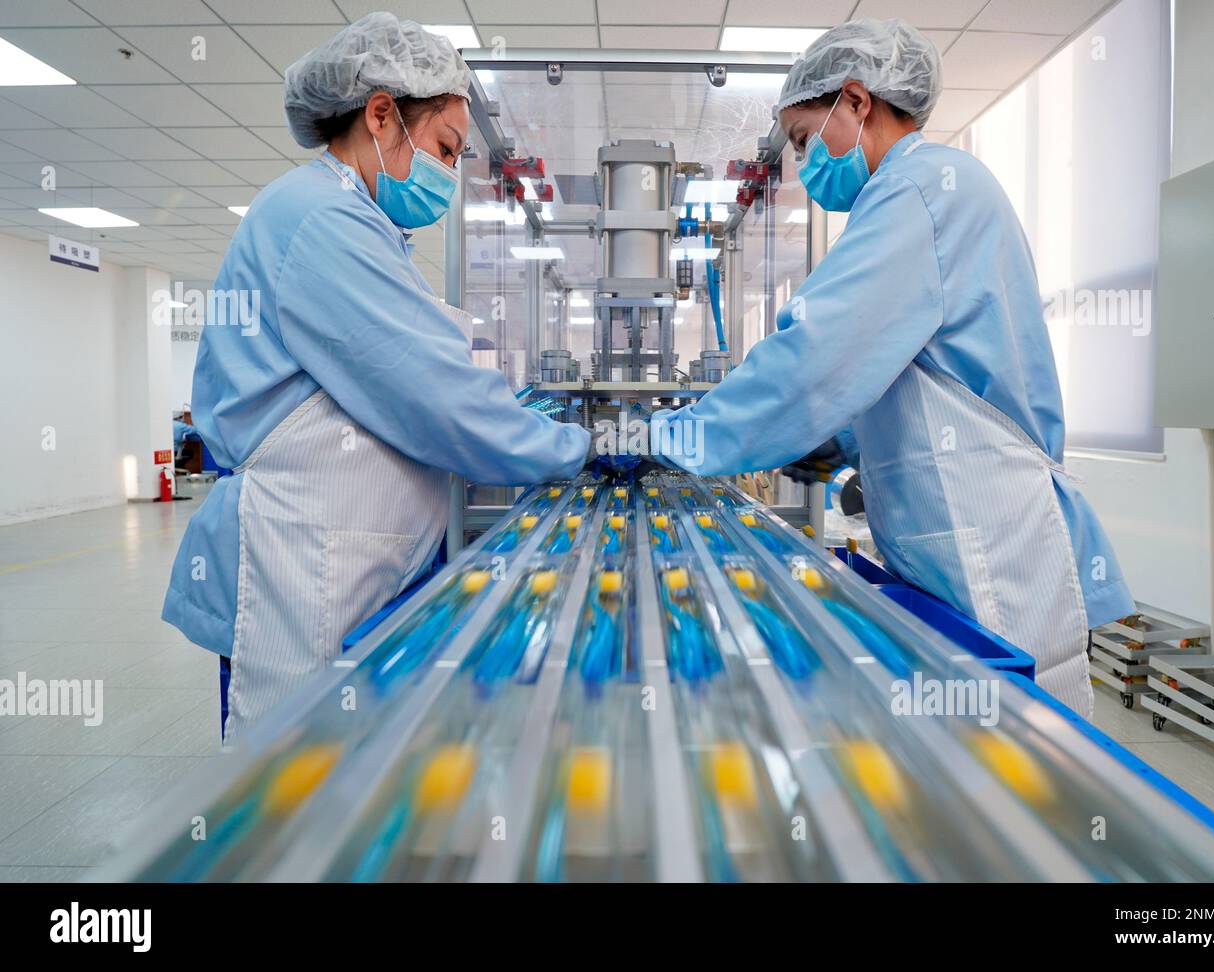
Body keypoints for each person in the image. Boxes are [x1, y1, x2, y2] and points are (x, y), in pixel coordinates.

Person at [651, 17, 1133, 717]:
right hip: (960, 543)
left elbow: (814, 360)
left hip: (996, 547)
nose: (804, 160)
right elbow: (905, 382)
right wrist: (826, 444)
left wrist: (672, 443)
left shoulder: (922, 192)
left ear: (856, 101)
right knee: (972, 769)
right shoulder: (919, 194)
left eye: (803, 138)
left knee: (1016, 769)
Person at [162, 13, 591, 739]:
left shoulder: (353, 221)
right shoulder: (319, 218)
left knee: (335, 774)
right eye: (446, 149)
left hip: (336, 557)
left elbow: (418, 359)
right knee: (292, 781)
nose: (449, 175)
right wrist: (578, 452)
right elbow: (435, 393)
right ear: (382, 114)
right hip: (299, 562)